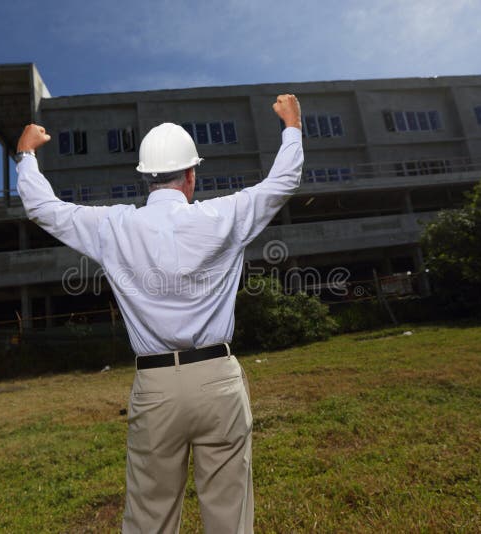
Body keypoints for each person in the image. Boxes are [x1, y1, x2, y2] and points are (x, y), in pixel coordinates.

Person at [15, 94, 303, 533]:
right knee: (229, 510)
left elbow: (43, 209)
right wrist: (292, 126)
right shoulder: (224, 215)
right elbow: (281, 182)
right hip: (217, 379)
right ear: (191, 175)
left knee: (150, 514)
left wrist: (27, 155)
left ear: (146, 179)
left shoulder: (114, 226)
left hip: (155, 386)